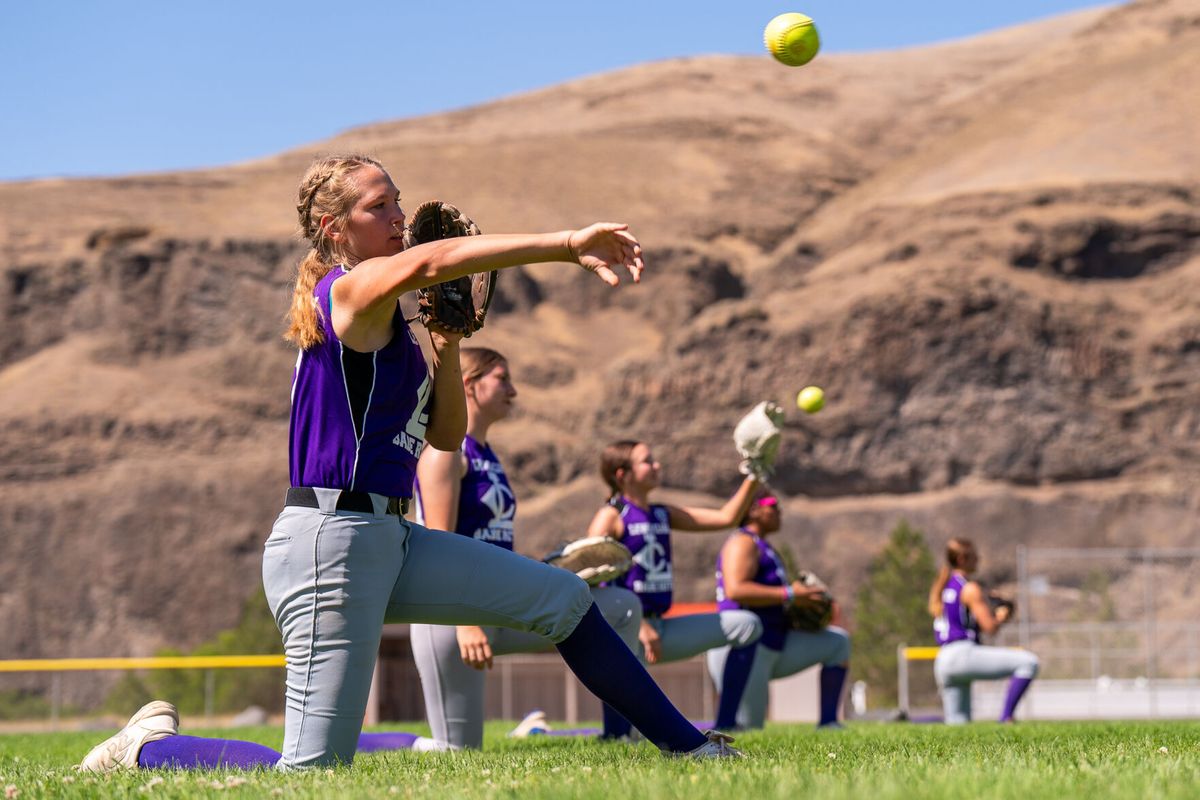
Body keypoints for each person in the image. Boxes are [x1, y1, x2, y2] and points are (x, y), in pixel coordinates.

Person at [79, 153, 737, 772]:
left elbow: (446, 435)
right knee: (311, 774)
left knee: (562, 598)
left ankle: (692, 749)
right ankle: (146, 750)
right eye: (379, 207)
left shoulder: (390, 330)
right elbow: (433, 261)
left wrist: (446, 346)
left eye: (397, 201)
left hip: (390, 537)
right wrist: (566, 244)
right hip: (329, 543)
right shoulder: (346, 293)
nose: (399, 217)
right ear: (335, 229)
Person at [403, 347, 642, 750]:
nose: (513, 391)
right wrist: (464, 623)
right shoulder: (445, 452)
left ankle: (620, 738)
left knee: (621, 607)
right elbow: (440, 545)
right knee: (457, 753)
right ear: (469, 385)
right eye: (502, 379)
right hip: (452, 615)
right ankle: (385, 742)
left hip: (496, 604)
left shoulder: (487, 454)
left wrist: (552, 574)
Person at [583, 440, 765, 740]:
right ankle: (614, 735)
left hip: (661, 630)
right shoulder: (611, 516)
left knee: (747, 625)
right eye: (647, 461)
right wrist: (639, 623)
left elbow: (726, 518)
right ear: (622, 474)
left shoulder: (661, 513)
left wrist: (754, 474)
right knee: (628, 736)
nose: (657, 465)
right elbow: (590, 577)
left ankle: (728, 722)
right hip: (626, 633)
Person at [705, 492, 851, 731]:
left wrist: (800, 605)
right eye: (772, 505)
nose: (779, 511)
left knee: (837, 643)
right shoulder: (742, 542)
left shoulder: (765, 546)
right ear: (752, 509)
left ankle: (828, 723)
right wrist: (790, 594)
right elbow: (735, 589)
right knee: (747, 730)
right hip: (743, 651)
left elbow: (775, 597)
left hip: (774, 642)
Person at [928, 537, 1039, 724]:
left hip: (943, 660)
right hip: (963, 654)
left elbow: (962, 621)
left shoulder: (944, 586)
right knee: (1028, 663)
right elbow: (990, 628)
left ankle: (908, 720)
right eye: (974, 556)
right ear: (962, 559)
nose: (978, 559)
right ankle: (1006, 717)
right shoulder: (970, 588)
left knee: (957, 723)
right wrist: (1002, 616)